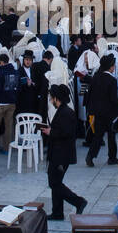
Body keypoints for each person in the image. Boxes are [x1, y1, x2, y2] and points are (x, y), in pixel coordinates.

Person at [40, 84, 85, 221]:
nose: (50, 101)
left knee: (55, 183)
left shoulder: (66, 113)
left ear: (56, 98)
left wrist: (51, 132)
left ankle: (78, 201)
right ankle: (57, 212)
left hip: (61, 155)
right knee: (55, 182)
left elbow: (67, 133)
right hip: (58, 153)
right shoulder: (63, 111)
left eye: (51, 98)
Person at [85, 54, 118, 167]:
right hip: (109, 112)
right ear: (110, 67)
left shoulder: (96, 77)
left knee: (98, 135)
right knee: (111, 135)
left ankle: (90, 156)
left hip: (98, 112)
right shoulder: (112, 80)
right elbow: (113, 99)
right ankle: (112, 157)